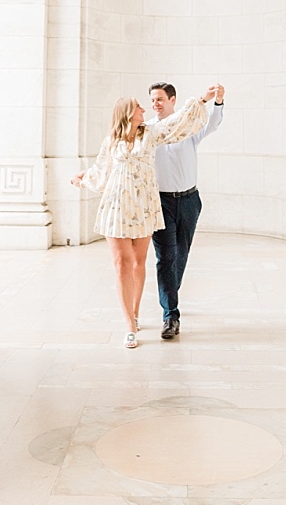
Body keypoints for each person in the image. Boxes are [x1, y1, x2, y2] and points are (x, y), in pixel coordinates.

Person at [71, 84, 219, 348]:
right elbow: (101, 170)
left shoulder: (150, 133)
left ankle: (137, 312)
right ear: (128, 113)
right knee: (123, 263)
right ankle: (131, 323)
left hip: (144, 207)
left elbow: (177, 122)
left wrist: (203, 100)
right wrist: (83, 178)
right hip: (117, 205)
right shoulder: (112, 141)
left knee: (140, 263)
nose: (145, 108)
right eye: (139, 105)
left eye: (149, 102)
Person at [145, 80, 224, 340]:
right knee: (166, 257)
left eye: (159, 99)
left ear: (172, 100)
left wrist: (218, 101)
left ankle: (170, 291)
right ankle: (170, 315)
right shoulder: (148, 131)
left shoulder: (188, 127)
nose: (155, 104)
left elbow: (212, 124)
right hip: (160, 202)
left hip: (189, 200)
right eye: (152, 100)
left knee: (180, 254)